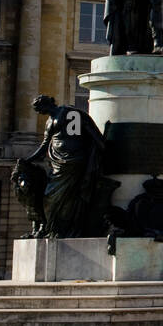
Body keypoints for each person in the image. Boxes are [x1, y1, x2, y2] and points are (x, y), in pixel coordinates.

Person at [19, 95, 107, 237]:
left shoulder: (68, 113)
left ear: (46, 104)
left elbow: (83, 134)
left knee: (57, 195)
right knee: (51, 196)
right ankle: (55, 228)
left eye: (38, 108)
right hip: (58, 162)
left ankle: (61, 229)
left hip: (73, 161)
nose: (37, 112)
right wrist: (28, 160)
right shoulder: (49, 121)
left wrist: (100, 145)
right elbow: (44, 145)